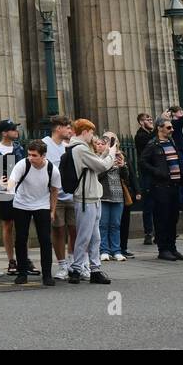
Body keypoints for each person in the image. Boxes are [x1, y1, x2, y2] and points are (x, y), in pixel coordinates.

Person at [63, 119, 114, 284]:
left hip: (91, 196)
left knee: (94, 236)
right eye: (91, 132)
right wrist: (112, 153)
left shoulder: (79, 148)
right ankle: (77, 269)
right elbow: (102, 166)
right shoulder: (80, 148)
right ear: (84, 132)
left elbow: (95, 166)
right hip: (86, 198)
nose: (93, 136)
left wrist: (105, 154)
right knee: (85, 235)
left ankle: (94, 268)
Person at [7, 139, 60, 286]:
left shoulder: (52, 169)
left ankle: (47, 275)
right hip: (21, 204)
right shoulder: (22, 164)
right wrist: (8, 187)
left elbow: (54, 191)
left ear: (43, 155)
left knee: (45, 240)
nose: (30, 157)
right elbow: (13, 180)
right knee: (21, 239)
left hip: (42, 205)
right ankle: (22, 274)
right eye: (29, 154)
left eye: (34, 155)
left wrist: (52, 211)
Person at [140, 112, 183, 261]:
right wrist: (157, 171)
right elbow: (142, 162)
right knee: (162, 218)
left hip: (175, 185)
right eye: (168, 127)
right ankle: (163, 249)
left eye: (171, 127)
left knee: (173, 218)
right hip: (161, 187)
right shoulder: (153, 144)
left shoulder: (171, 142)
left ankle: (172, 247)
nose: (172, 130)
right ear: (159, 128)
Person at [0, 119, 29, 274]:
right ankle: (11, 260)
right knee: (7, 225)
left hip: (20, 191)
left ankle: (24, 259)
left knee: (22, 226)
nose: (16, 131)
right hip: (4, 193)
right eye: (13, 129)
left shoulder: (19, 148)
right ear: (4, 133)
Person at [44, 117, 76, 278]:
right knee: (58, 230)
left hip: (72, 194)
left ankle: (72, 262)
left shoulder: (68, 147)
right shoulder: (44, 144)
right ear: (58, 128)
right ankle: (62, 265)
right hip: (54, 196)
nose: (70, 131)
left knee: (74, 229)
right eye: (67, 128)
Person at [98, 131, 126, 262]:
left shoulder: (120, 156)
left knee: (115, 224)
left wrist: (123, 166)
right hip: (104, 195)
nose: (110, 143)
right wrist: (109, 165)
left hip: (118, 195)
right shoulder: (99, 158)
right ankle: (104, 250)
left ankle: (116, 250)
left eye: (112, 140)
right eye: (106, 140)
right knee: (103, 225)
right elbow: (97, 175)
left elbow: (127, 177)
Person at [132, 112, 156, 245]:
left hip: (155, 173)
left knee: (157, 204)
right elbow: (149, 142)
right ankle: (148, 233)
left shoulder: (151, 134)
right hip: (146, 174)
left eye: (151, 119)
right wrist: (159, 126)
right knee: (148, 204)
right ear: (141, 122)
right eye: (148, 119)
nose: (151, 121)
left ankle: (158, 232)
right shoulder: (140, 136)